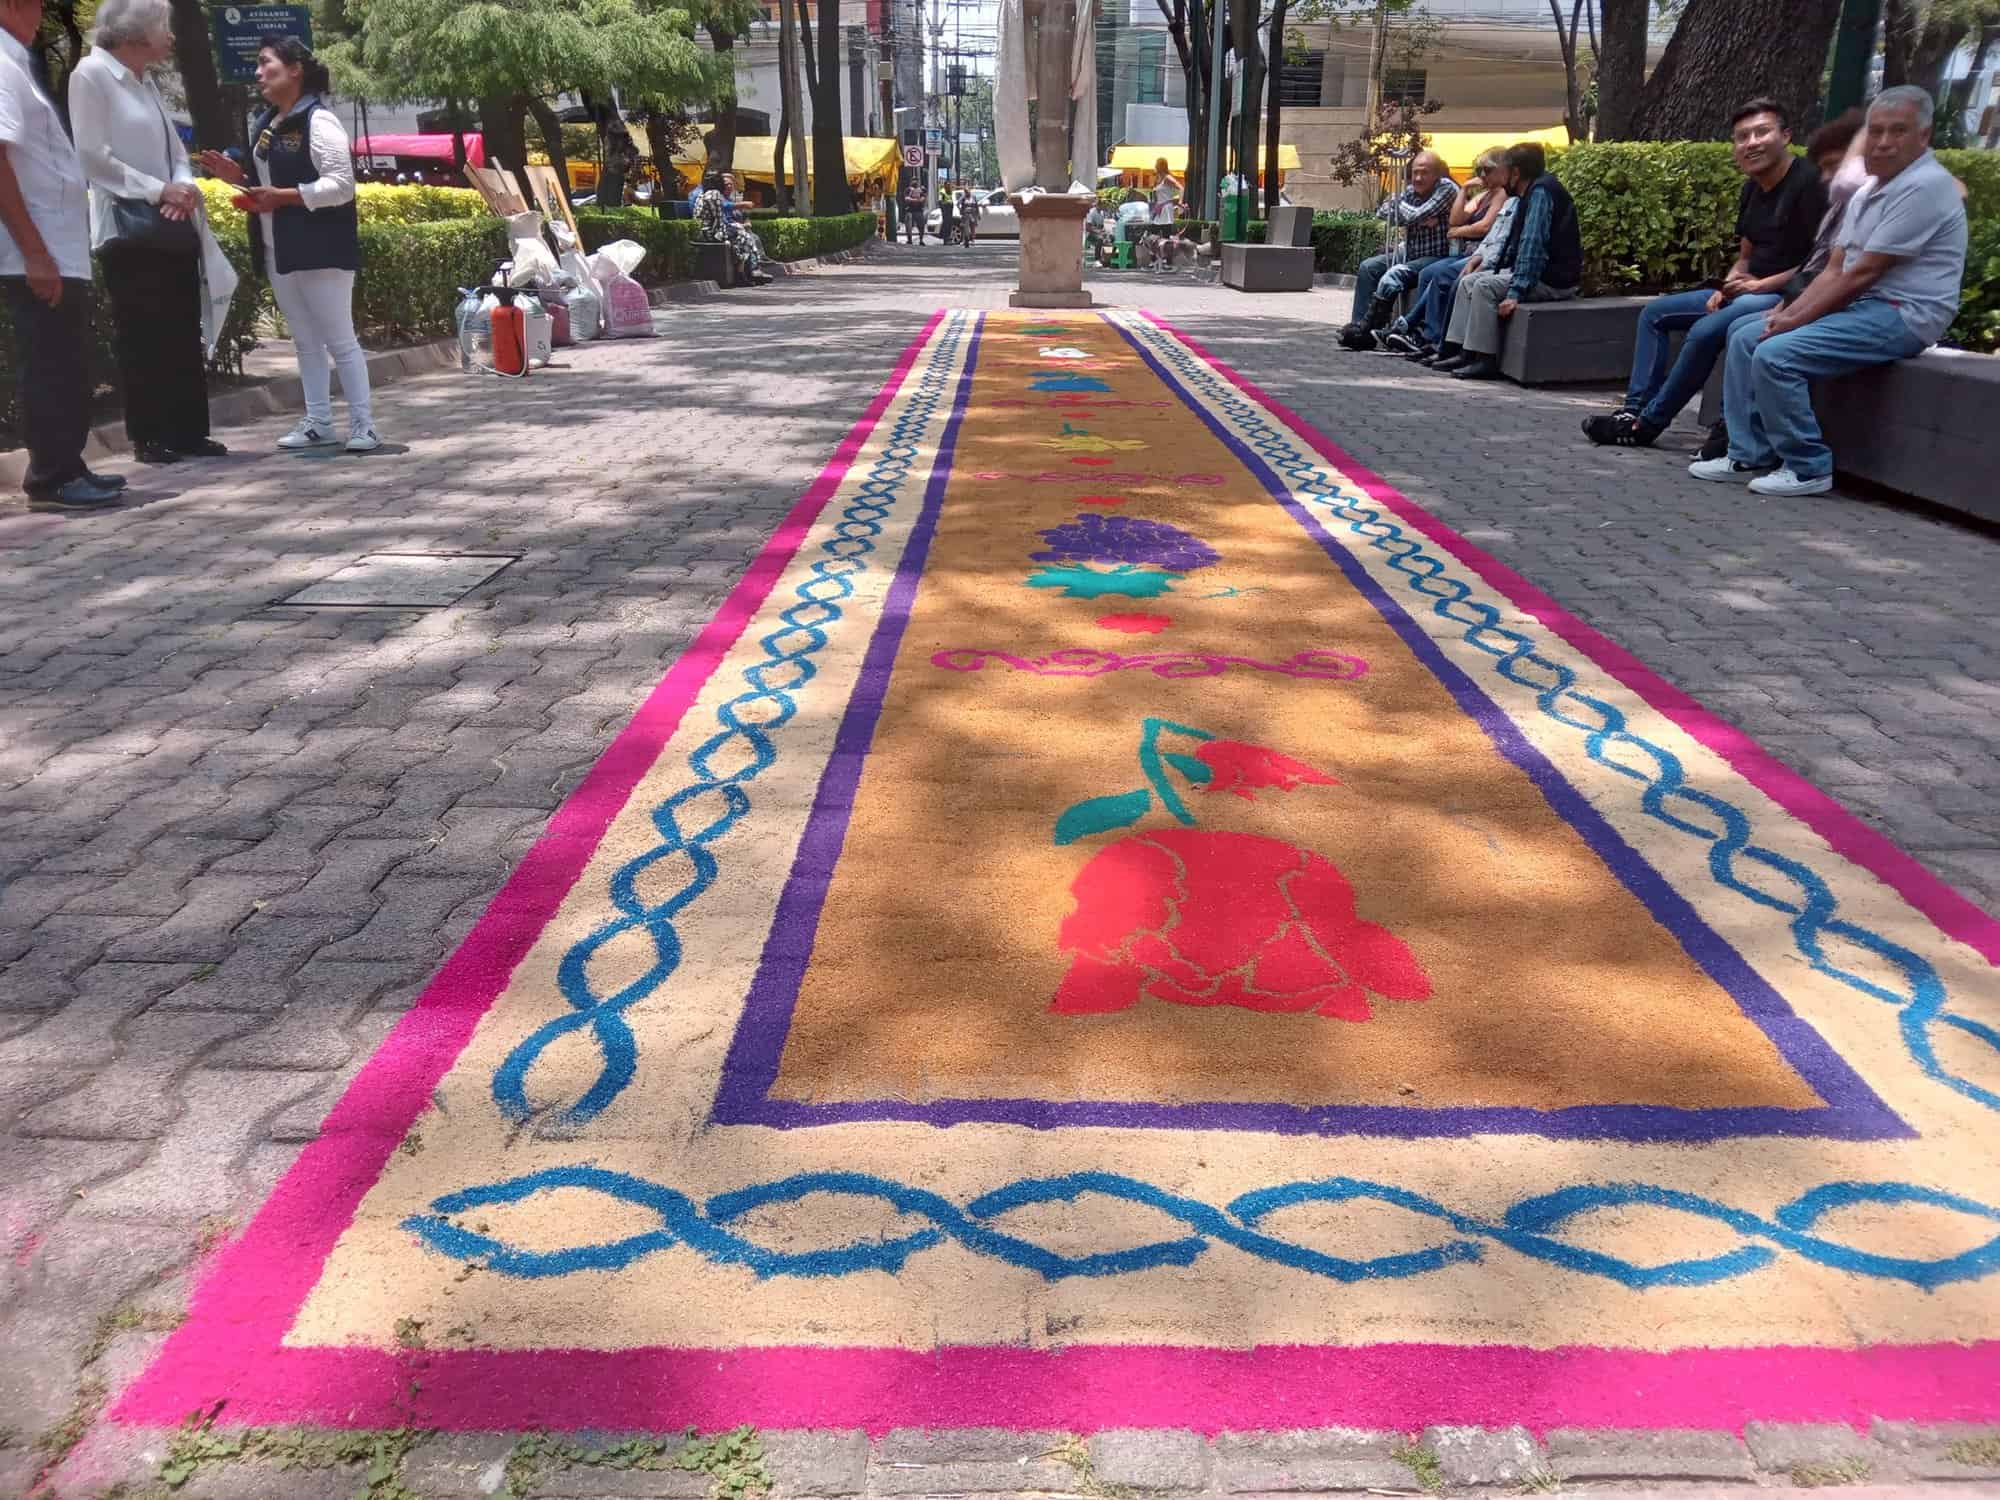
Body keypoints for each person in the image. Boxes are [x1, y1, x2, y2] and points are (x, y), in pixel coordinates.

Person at [1697, 86, 1967, 497]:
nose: (1883, 142)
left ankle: (1808, 466)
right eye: (1875, 131)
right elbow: (1834, 268)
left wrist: (1792, 320)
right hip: (1863, 304)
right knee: (1745, 335)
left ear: (1924, 136)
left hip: (1904, 313)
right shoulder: (1870, 190)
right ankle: (1747, 453)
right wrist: (1787, 312)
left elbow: (1863, 275)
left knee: (1775, 353)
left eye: (1898, 131)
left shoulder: (1926, 186)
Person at [1583, 99, 1826, 450]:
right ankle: (1631, 412)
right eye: (1742, 137)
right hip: (1748, 289)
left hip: (1787, 293)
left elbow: (1818, 261)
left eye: (1762, 132)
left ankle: (1648, 425)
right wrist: (1728, 286)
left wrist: (1760, 285)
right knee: (1654, 313)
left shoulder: (1809, 184)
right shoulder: (1751, 188)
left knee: (1707, 329)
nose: (1751, 143)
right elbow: (1746, 255)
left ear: (1785, 135)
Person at [68, 0, 237, 466]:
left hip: (173, 220)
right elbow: (94, 157)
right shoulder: (90, 76)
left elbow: (174, 147)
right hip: (128, 226)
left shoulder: (148, 82)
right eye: (163, 27)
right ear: (135, 33)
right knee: (143, 333)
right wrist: (157, 189)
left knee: (182, 328)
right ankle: (151, 434)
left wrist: (182, 186)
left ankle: (188, 431)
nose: (170, 36)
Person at [198, 38, 378, 452]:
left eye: (265, 64)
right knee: (304, 339)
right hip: (279, 247)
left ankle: (364, 425)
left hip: (321, 247)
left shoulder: (318, 121)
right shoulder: (268, 122)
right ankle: (318, 421)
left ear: (294, 69)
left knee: (339, 338)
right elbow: (263, 185)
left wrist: (283, 196)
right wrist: (237, 177)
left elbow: (341, 186)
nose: (258, 73)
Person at [0, 0, 129, 506]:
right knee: (51, 362)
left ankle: (66, 463)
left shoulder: (14, 59)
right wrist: (34, 252)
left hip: (55, 246)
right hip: (38, 248)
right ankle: (52, 475)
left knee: (65, 359)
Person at [1434, 141, 1583, 380]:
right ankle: (1462, 351)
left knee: (1484, 287)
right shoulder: (1530, 191)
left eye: (1503, 170)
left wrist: (1515, 292)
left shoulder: (1541, 193)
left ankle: (1485, 358)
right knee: (1468, 282)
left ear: (1516, 172)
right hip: (1538, 274)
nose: (1499, 178)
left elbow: (1532, 247)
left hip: (1554, 280)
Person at [1382, 149, 1509, 357]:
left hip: (1480, 253)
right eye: (1479, 170)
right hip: (1464, 252)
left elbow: (1483, 227)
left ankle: (1424, 333)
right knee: (1428, 273)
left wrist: (1459, 231)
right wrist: (1465, 189)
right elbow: (1455, 219)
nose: (1483, 175)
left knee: (1440, 274)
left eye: (1488, 170)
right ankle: (1418, 333)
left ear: (1502, 170)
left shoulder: (1502, 194)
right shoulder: (1484, 195)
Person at [1338, 148, 1457, 350]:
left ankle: (1370, 327)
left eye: (1424, 172)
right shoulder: (1411, 191)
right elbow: (1383, 212)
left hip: (1437, 256)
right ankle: (1359, 326)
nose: (1418, 178)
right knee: (1369, 267)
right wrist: (1413, 214)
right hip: (1411, 252)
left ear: (1437, 174)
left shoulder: (1447, 188)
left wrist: (1403, 209)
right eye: (1415, 173)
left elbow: (1410, 215)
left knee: (1394, 273)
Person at [1149, 157, 1181, 224]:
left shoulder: (1167, 178)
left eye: (1157, 164)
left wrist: (1178, 202)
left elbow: (1181, 188)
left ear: (1161, 166)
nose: (1155, 166)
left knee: (1165, 229)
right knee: (1157, 229)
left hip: (1166, 209)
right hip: (1159, 209)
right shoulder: (1158, 179)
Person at [901, 176, 924, 244]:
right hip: (909, 211)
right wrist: (917, 200)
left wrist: (914, 200)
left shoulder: (921, 189)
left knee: (921, 226)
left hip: (919, 210)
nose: (915, 181)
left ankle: (921, 240)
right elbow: (906, 199)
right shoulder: (908, 189)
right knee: (908, 226)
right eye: (913, 180)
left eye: (916, 180)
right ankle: (909, 240)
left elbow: (923, 199)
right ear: (911, 181)